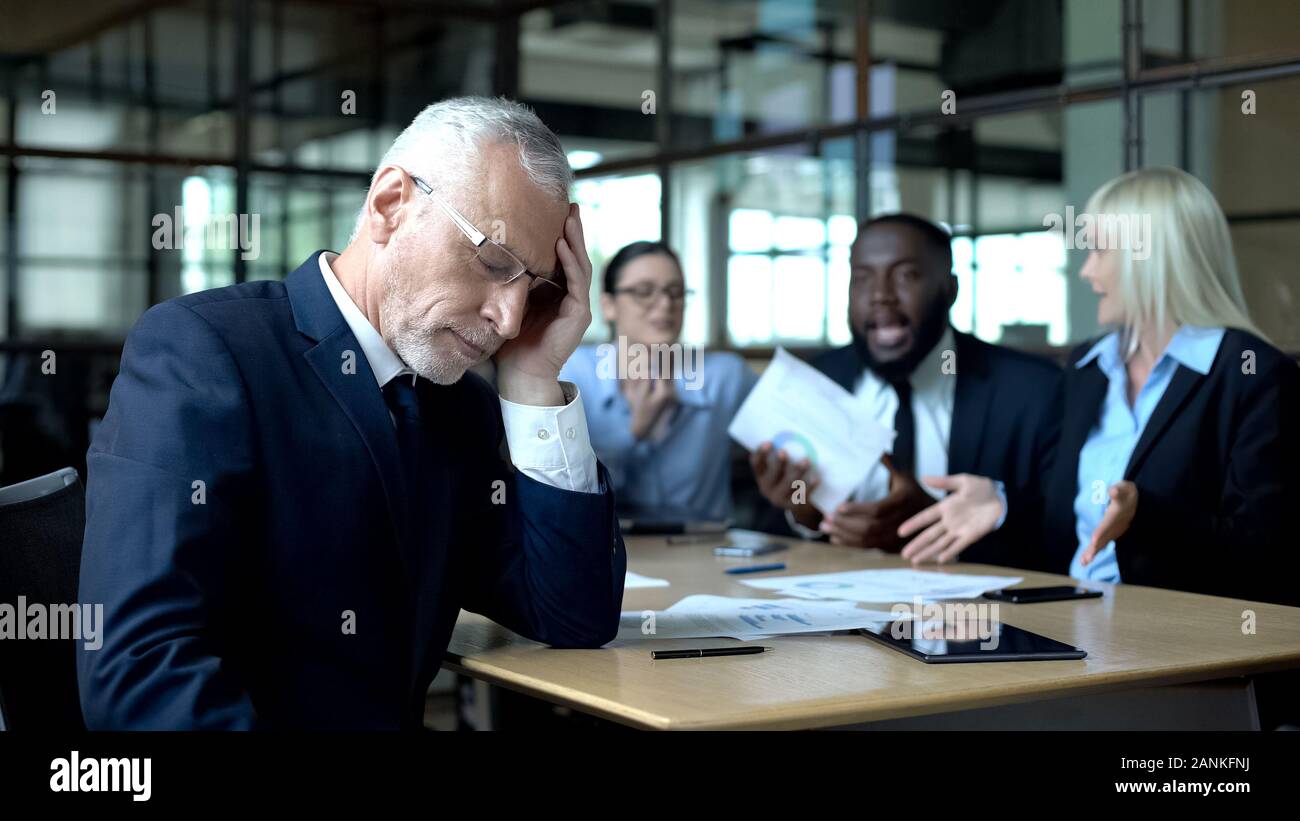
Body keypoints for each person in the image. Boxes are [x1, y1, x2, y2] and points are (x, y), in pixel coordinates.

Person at [76, 97, 627, 729]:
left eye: (533, 288)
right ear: (391, 205)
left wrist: (532, 380)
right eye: (495, 262)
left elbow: (572, 613)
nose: (507, 318)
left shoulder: (461, 407)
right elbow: (139, 671)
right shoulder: (205, 351)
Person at [905, 168, 1300, 604]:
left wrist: (1145, 517)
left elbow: (1268, 557)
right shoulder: (1088, 368)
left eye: (1098, 251)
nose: (1087, 271)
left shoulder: (1253, 375)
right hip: (1075, 625)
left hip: (1179, 646)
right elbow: (1065, 528)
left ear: (1150, 257)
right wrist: (1002, 506)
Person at [751, 214, 1062, 568]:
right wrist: (804, 513)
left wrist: (933, 526)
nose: (881, 295)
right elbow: (762, 536)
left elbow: (1060, 536)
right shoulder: (812, 384)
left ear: (950, 290)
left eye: (906, 276)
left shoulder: (1031, 390)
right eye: (863, 278)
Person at [560, 242, 756, 522]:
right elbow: (568, 492)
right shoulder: (574, 375)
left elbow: (798, 433)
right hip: (608, 556)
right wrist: (634, 433)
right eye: (643, 292)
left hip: (704, 554)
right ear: (609, 306)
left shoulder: (725, 377)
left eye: (675, 292)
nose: (665, 304)